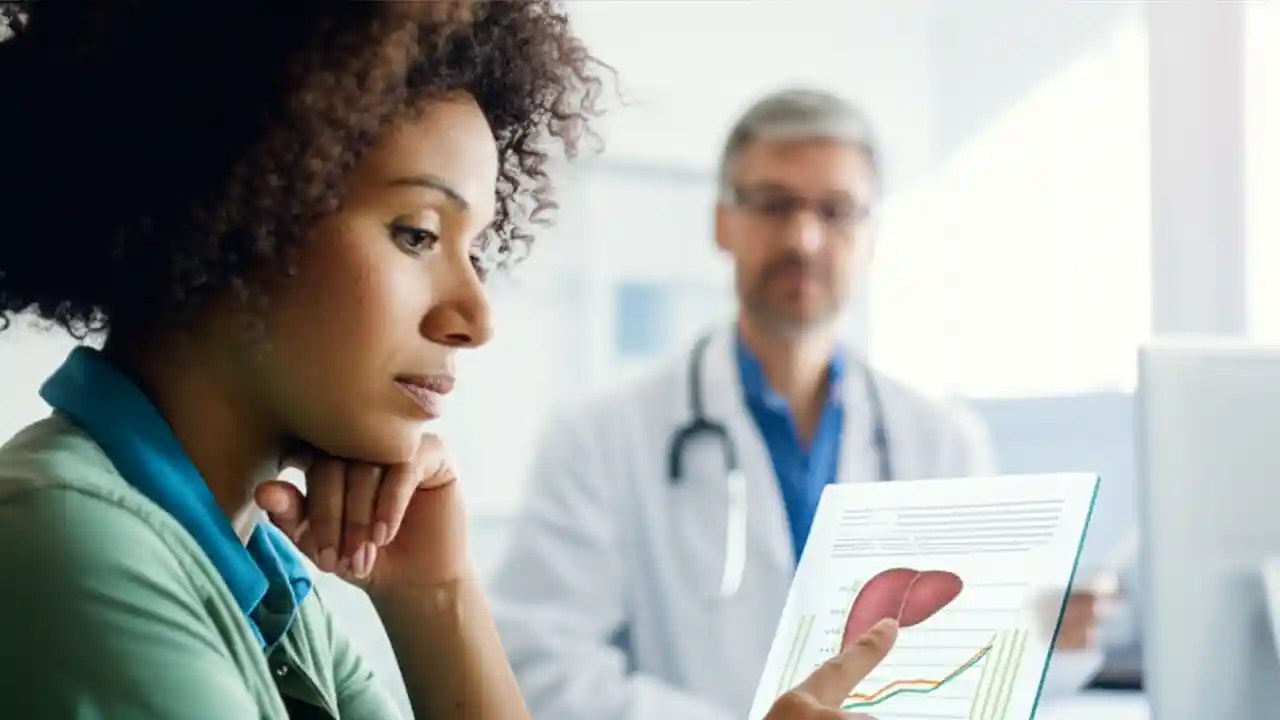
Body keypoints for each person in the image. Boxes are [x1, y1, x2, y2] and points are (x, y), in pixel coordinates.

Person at [0, 3, 906, 719]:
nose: (475, 317)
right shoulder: (74, 540)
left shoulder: (258, 566)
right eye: (415, 233)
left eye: (475, 249)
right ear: (231, 211)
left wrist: (435, 593)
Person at [487, 88, 1005, 719]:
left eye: (836, 210)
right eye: (774, 204)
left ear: (873, 237)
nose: (805, 238)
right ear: (722, 223)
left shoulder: (945, 441)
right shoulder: (600, 437)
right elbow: (542, 664)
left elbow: (979, 670)